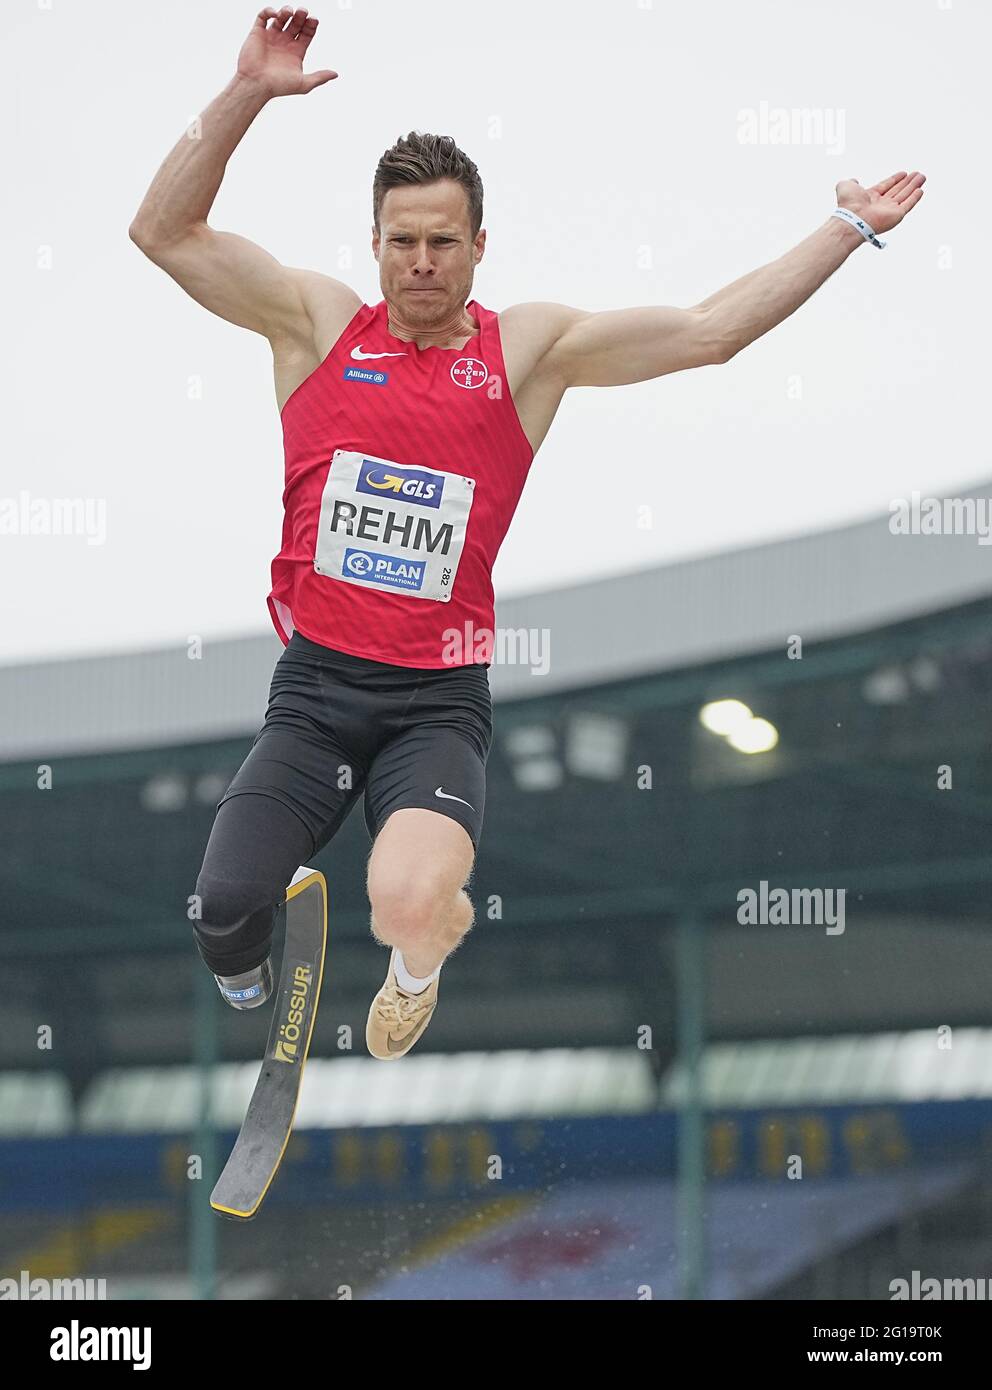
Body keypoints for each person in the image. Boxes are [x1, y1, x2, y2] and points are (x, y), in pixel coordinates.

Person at [129, 5, 925, 1059]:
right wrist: (245, 94)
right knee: (223, 915)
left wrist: (846, 226)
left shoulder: (527, 353)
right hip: (315, 693)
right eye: (400, 242)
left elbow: (707, 333)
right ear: (372, 242)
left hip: (431, 705)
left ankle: (425, 953)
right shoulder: (314, 324)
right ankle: (253, 982)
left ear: (477, 246)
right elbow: (161, 233)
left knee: (405, 900)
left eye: (441, 243)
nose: (419, 263)